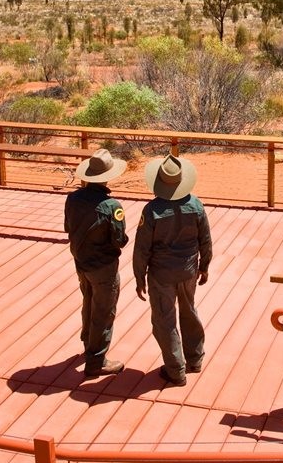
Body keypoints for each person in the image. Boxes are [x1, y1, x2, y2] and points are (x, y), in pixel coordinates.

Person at [133, 153, 213, 387]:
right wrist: (204, 266)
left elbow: (142, 248)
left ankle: (176, 370)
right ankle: (195, 359)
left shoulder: (152, 210)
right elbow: (205, 239)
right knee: (189, 311)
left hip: (161, 275)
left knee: (164, 321)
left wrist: (139, 278)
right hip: (188, 270)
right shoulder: (196, 205)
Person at [64, 149, 129, 377]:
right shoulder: (112, 206)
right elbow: (119, 240)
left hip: (81, 261)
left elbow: (68, 228)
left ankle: (87, 342)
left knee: (88, 301)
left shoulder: (72, 198)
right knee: (104, 310)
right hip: (103, 267)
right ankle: (97, 360)